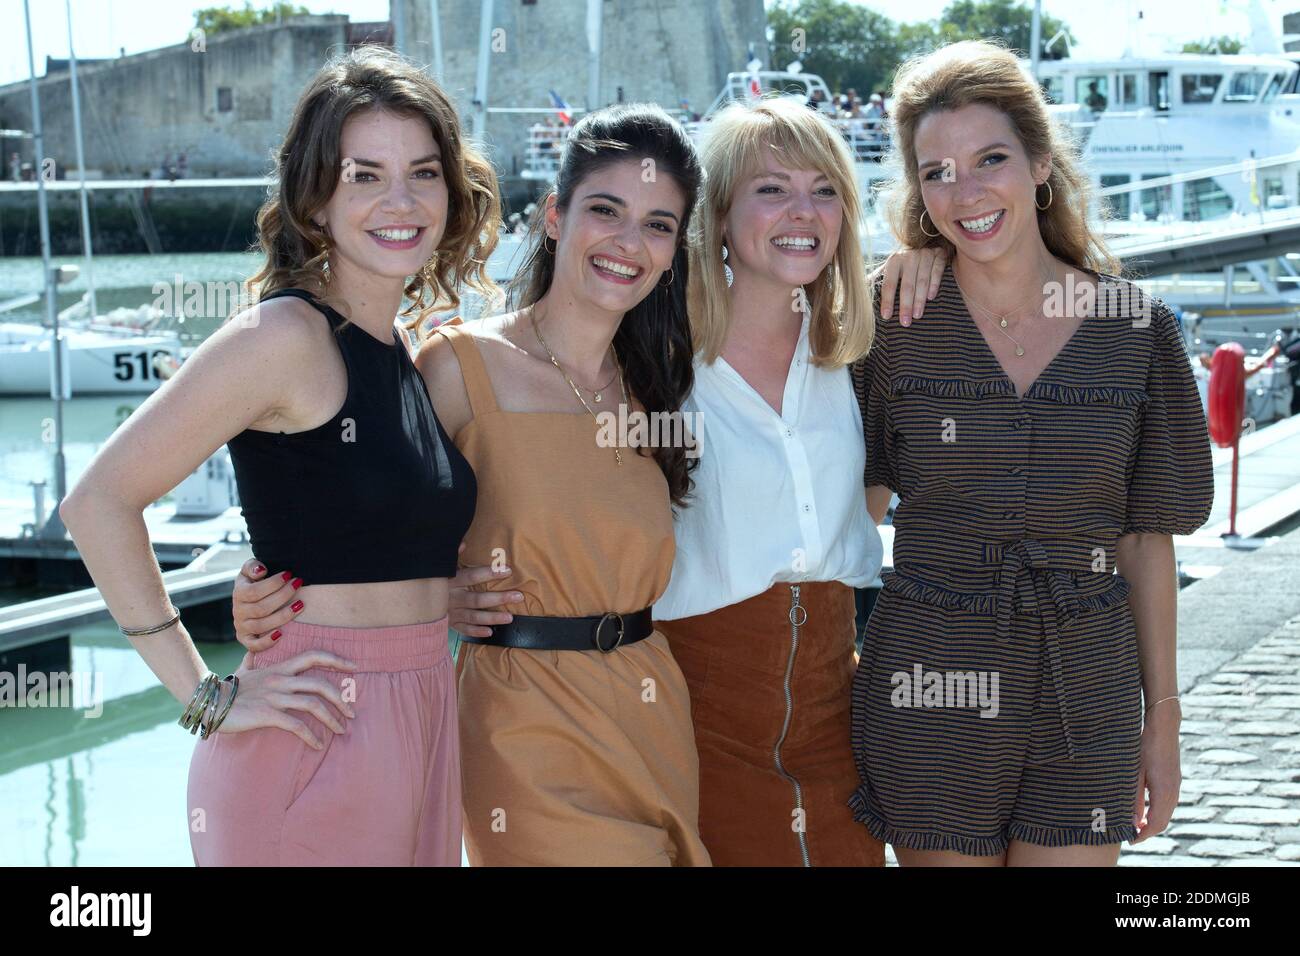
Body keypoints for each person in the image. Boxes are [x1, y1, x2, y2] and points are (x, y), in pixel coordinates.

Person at [234, 103, 712, 866]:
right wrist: (275, 585)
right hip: (522, 722)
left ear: (672, 252)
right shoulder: (459, 366)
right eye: (605, 210)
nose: (629, 241)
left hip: (650, 709)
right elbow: (347, 502)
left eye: (658, 225)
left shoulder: (657, 383)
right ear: (554, 217)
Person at [61, 45, 499, 867]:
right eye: (364, 175)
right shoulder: (282, 337)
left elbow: (359, 539)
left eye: (423, 172)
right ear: (315, 199)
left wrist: (447, 595)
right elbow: (97, 503)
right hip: (313, 732)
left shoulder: (403, 350)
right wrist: (204, 694)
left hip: (424, 715)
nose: (400, 200)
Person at [850, 40, 1214, 866]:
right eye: (937, 173)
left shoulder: (1135, 329)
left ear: (1041, 163)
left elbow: (1144, 540)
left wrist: (1163, 719)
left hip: (1088, 688)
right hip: (929, 684)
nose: (965, 193)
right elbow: (846, 513)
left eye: (990, 160)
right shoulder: (891, 324)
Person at [649, 96, 880, 866]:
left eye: (824, 190)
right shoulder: (657, 365)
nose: (802, 211)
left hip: (836, 716)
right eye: (771, 189)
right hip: (699, 720)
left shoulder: (861, 356)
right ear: (718, 216)